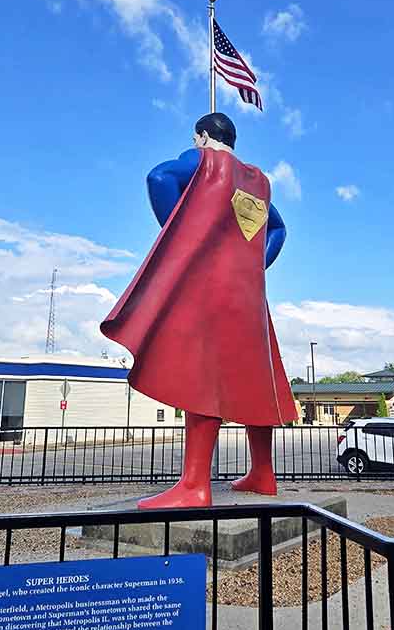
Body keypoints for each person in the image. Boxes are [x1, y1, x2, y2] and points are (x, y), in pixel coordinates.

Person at [100, 112, 297, 508]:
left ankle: (194, 485)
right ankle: (263, 473)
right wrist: (254, 263)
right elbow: (278, 230)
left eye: (196, 141)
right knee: (256, 376)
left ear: (202, 137)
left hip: (209, 285)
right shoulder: (258, 180)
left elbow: (158, 177)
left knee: (202, 375)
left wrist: (180, 234)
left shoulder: (204, 160)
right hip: (248, 294)